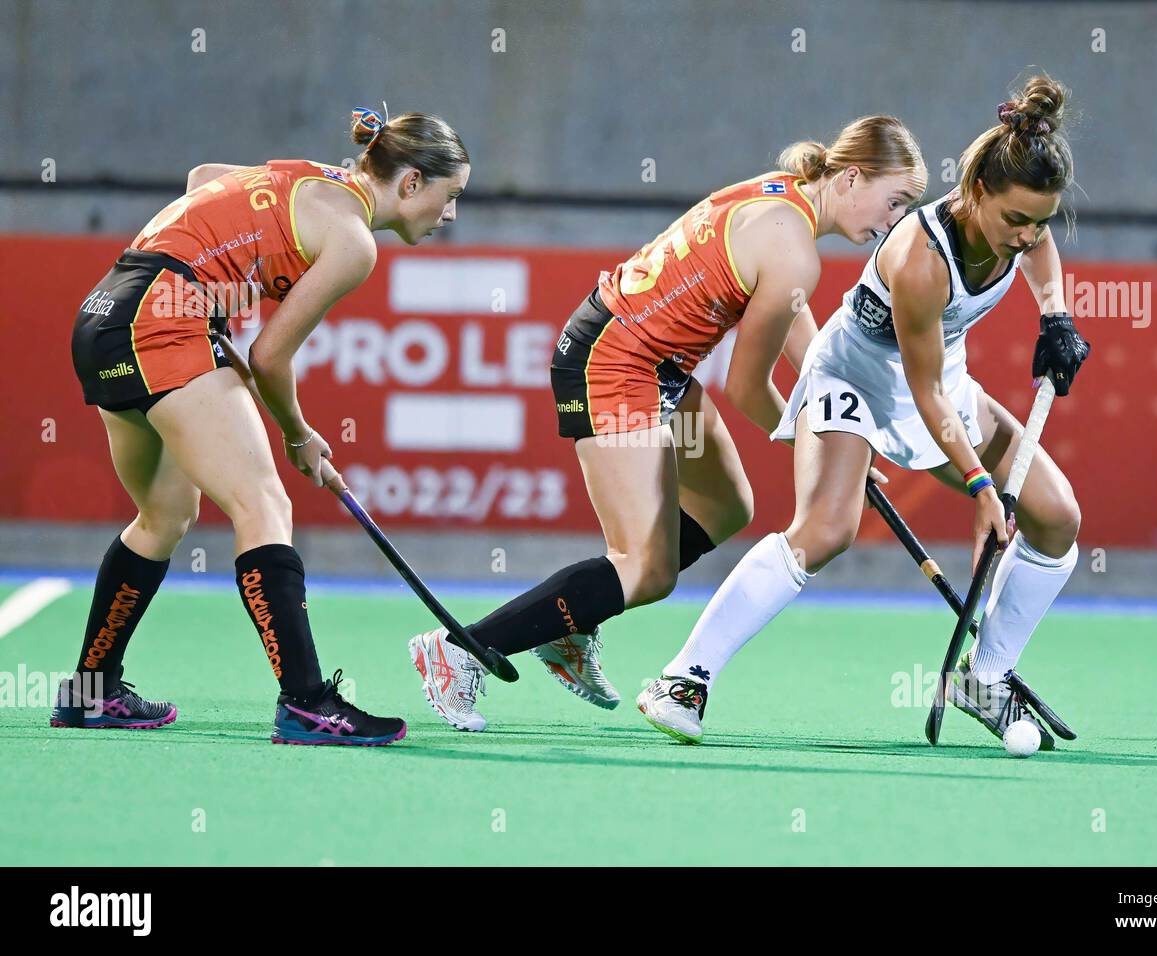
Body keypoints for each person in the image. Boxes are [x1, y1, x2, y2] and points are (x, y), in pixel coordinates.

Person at [410, 117, 926, 731]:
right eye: (895, 202)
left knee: (725, 506)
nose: (894, 222)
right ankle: (457, 651)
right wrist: (822, 452)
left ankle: (569, 623)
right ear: (850, 177)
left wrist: (840, 438)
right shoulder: (794, 249)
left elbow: (797, 333)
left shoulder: (787, 197)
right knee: (645, 568)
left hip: (659, 366)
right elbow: (746, 387)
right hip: (615, 362)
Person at [639, 73, 1091, 747]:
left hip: (944, 379)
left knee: (1058, 518)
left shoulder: (1023, 228)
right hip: (853, 375)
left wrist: (1056, 314)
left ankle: (985, 679)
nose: (1028, 236)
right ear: (975, 194)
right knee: (826, 529)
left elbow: (1039, 250)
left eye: (1039, 221)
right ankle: (684, 677)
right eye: (1015, 220)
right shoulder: (920, 260)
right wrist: (979, 488)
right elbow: (924, 392)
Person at [57, 105, 469, 745]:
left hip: (106, 314)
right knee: (264, 503)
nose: (450, 216)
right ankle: (308, 704)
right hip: (162, 323)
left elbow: (204, 177)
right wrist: (299, 435)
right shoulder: (354, 242)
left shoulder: (310, 180)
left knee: (165, 516)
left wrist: (224, 275)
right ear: (411, 182)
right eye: (450, 197)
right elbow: (270, 355)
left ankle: (92, 691)